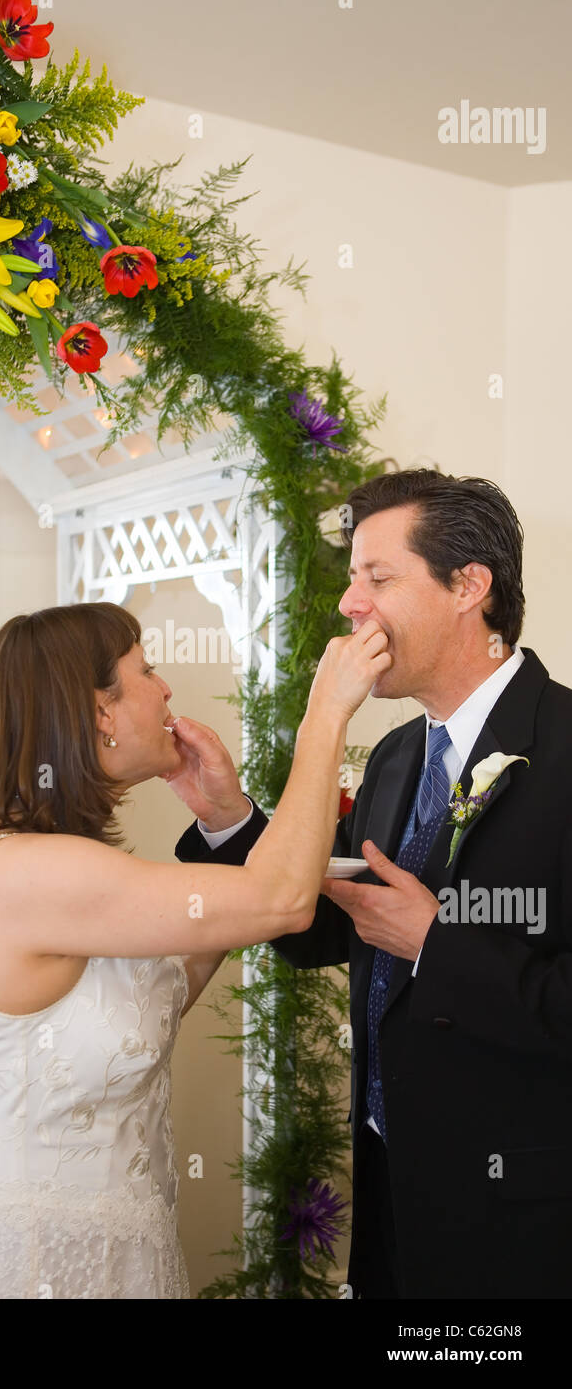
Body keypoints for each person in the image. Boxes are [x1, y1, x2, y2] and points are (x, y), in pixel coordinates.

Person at [0, 601, 390, 1299]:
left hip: (123, 1263)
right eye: (146, 671)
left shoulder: (45, 863)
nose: (165, 690)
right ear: (100, 712)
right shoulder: (27, 872)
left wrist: (223, 817)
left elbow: (162, 989)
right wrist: (326, 716)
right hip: (28, 1271)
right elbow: (282, 900)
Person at [174, 467, 572, 1299]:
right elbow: (324, 921)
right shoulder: (395, 759)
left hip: (526, 1222)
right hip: (392, 1207)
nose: (351, 605)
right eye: (353, 578)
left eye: (377, 578)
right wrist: (228, 818)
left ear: (470, 586)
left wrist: (436, 943)